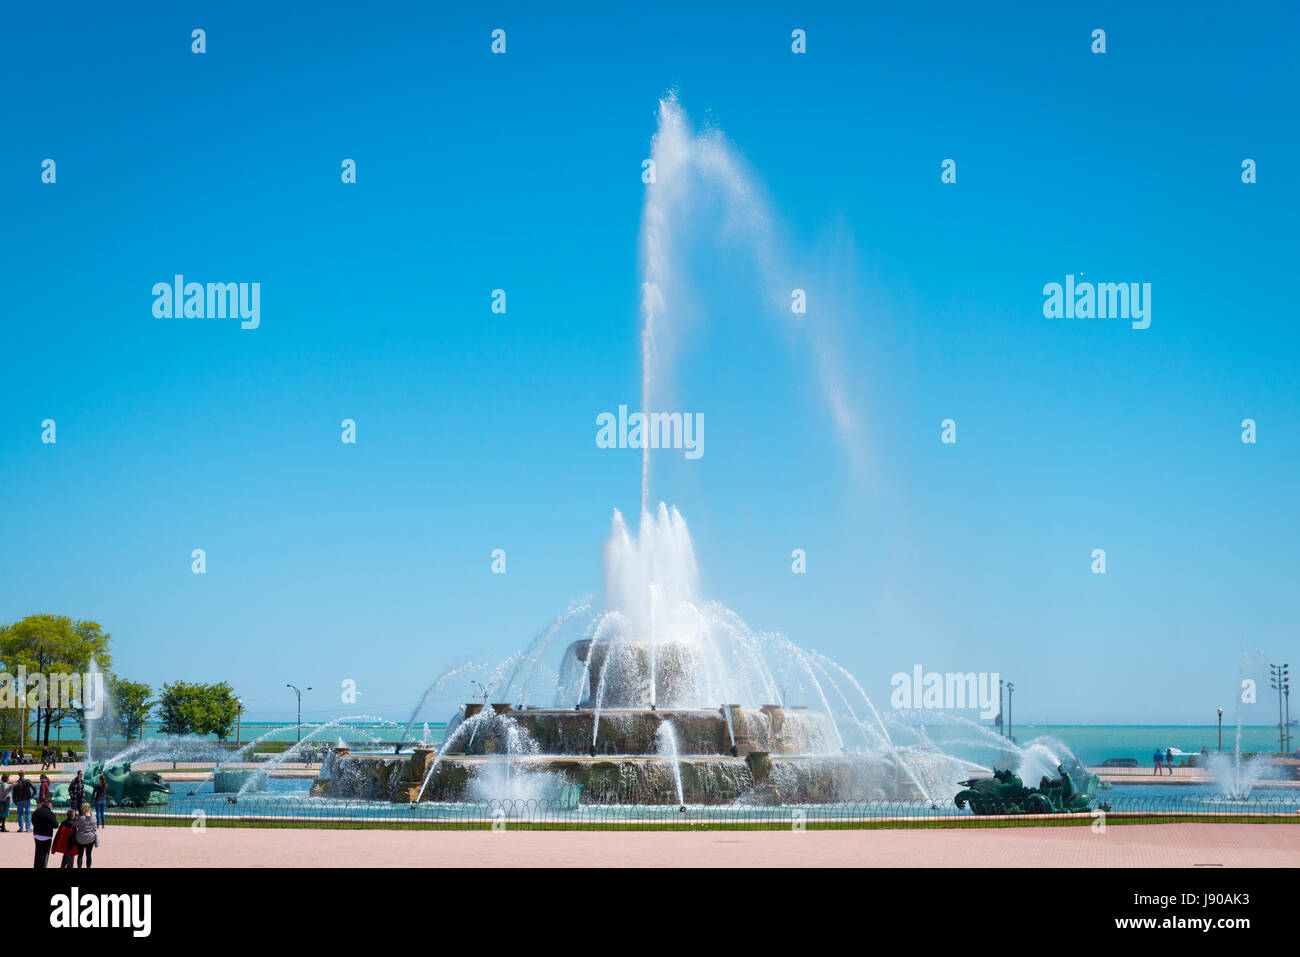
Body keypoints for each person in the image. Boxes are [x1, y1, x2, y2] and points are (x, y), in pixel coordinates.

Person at [31, 798, 57, 868]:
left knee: (38, 853)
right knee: (45, 855)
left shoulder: (37, 812)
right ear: (49, 804)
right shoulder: (50, 813)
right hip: (46, 836)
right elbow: (55, 825)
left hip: (37, 835)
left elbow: (33, 822)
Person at [74, 802, 96, 868]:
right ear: (89, 808)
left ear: (82, 809)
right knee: (88, 855)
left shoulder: (80, 817)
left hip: (80, 838)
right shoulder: (94, 817)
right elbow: (95, 828)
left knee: (80, 855)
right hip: (90, 838)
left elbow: (75, 826)